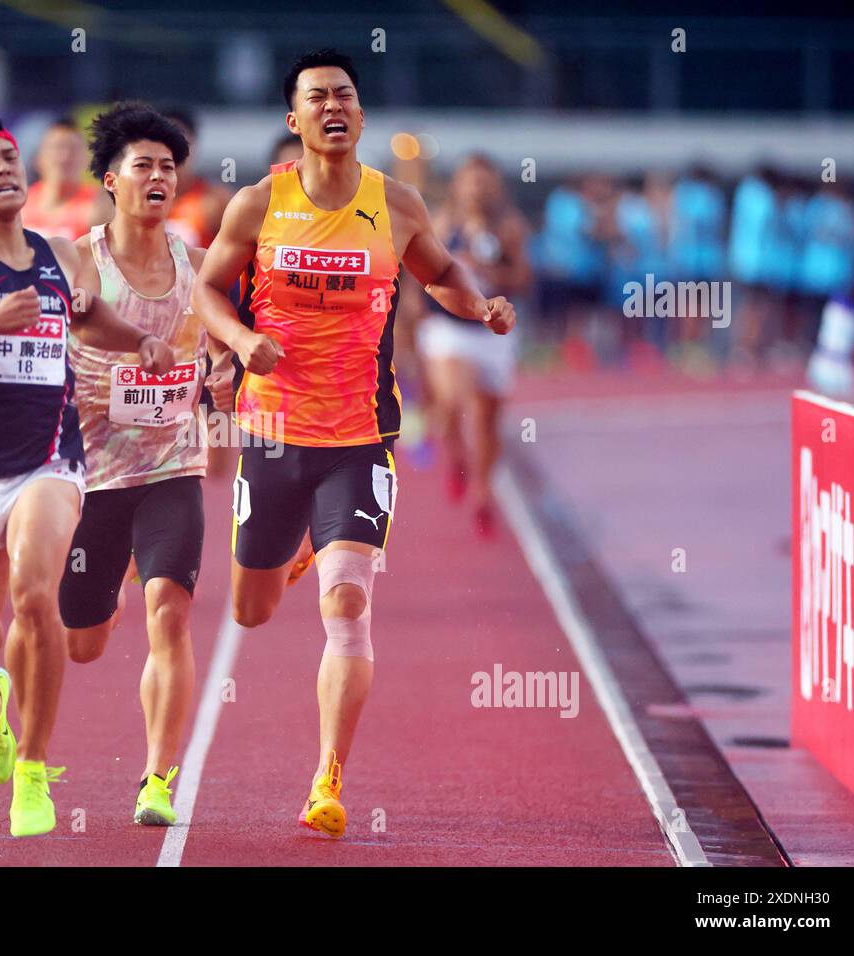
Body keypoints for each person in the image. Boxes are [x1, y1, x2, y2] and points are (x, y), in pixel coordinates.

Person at [193, 50, 515, 838]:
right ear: (294, 118)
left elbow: (436, 272)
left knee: (348, 604)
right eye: (316, 97)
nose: (332, 106)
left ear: (360, 116)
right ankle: (296, 551)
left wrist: (478, 308)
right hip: (271, 430)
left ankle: (328, 775)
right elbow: (206, 287)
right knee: (252, 609)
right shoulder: (258, 203)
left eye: (345, 94)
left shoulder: (396, 203)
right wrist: (238, 339)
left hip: (361, 434)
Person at [0, 113, 174, 837]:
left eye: (11, 157)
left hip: (50, 460)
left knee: (34, 595)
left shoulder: (55, 255)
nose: (6, 167)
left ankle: (34, 770)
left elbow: (89, 316)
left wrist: (139, 339)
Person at [58, 102, 231, 826]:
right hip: (92, 474)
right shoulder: (75, 256)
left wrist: (220, 407)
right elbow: (64, 311)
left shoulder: (199, 267)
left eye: (168, 167)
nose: (158, 176)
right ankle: (108, 593)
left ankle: (157, 778)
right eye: (143, 166)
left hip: (171, 468)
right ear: (111, 179)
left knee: (173, 613)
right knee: (84, 641)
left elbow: (221, 356)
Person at [414, 154, 532, 536]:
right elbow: (419, 271)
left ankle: (482, 489)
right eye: (471, 181)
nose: (477, 189)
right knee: (451, 401)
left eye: (484, 181)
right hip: (450, 329)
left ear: (495, 185)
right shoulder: (442, 221)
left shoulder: (510, 227)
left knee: (487, 421)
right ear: (458, 185)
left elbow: (524, 278)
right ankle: (455, 454)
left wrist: (489, 273)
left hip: (494, 332)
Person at [20, 117, 109, 241]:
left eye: (73, 149)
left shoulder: (99, 207)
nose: (64, 157)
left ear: (87, 160)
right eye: (57, 148)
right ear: (38, 158)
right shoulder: (20, 205)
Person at [162, 108, 231, 250]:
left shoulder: (216, 202)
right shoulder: (122, 202)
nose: (172, 153)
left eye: (179, 144)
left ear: (194, 147)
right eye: (164, 144)